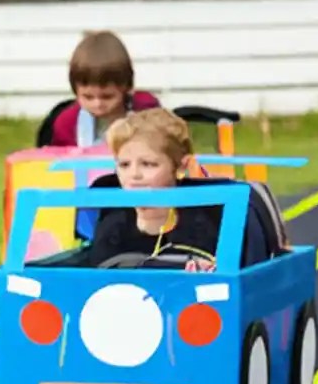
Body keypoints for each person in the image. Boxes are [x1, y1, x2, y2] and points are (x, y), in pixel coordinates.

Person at [85, 108, 218, 271]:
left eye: (148, 164)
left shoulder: (204, 224)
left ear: (182, 166)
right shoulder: (111, 224)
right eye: (124, 165)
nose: (134, 175)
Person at [49, 31, 161, 148]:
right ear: (75, 90)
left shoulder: (147, 112)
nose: (98, 104)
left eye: (107, 96)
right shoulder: (67, 123)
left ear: (126, 87)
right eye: (88, 97)